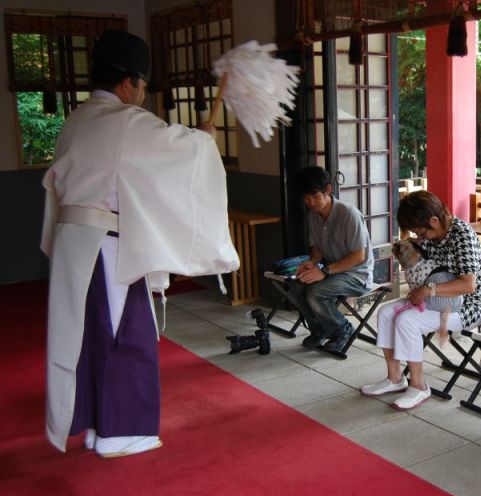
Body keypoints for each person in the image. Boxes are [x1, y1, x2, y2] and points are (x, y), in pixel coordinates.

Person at [40, 30, 239, 457]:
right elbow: (180, 153)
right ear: (128, 82)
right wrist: (204, 141)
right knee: (124, 333)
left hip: (74, 242)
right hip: (105, 247)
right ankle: (118, 430)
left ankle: (95, 423)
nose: (142, 95)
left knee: (87, 335)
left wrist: (198, 143)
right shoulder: (124, 121)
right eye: (143, 86)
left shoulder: (78, 119)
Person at [360, 191, 481, 410]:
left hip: (468, 305)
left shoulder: (463, 236)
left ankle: (419, 386)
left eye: (420, 231)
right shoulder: (432, 233)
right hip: (433, 296)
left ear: (434, 221)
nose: (418, 236)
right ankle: (395, 378)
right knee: (385, 313)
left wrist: (428, 289)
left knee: (407, 321)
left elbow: (468, 285)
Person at [286, 166, 374, 352]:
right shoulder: (314, 215)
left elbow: (359, 256)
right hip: (332, 271)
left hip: (357, 275)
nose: (310, 203)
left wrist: (324, 271)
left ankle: (342, 330)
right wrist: (311, 263)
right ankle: (319, 330)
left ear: (328, 190)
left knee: (315, 292)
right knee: (296, 287)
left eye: (315, 196)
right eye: (306, 198)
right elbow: (318, 247)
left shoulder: (349, 215)